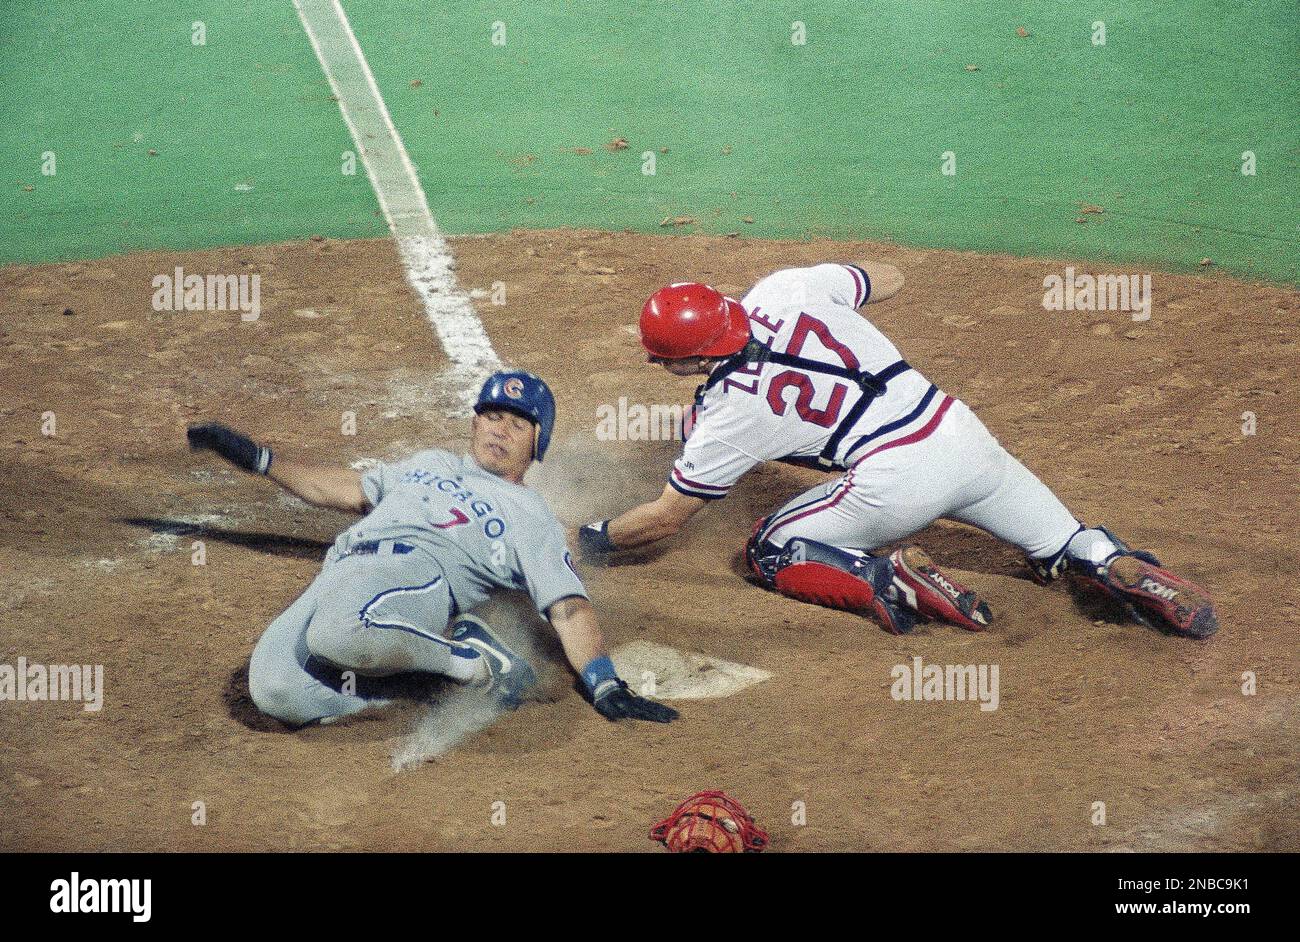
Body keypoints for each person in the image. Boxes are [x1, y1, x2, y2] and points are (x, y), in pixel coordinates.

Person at [577, 265, 1216, 639]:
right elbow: (888, 278)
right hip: (966, 439)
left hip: (897, 483)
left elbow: (664, 518)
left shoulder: (731, 414)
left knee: (769, 548)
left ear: (691, 357)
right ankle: (1107, 560)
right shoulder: (783, 289)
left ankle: (886, 577)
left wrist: (593, 538)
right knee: (1063, 543)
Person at [187, 369, 679, 727]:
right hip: (342, 571)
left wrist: (604, 681)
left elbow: (568, 607)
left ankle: (476, 661)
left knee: (335, 635)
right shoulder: (431, 461)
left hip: (417, 576)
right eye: (491, 415)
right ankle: (407, 686)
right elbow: (342, 489)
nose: (498, 428)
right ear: (474, 423)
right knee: (275, 692)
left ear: (538, 441)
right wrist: (261, 459)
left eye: (516, 423)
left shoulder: (531, 514)